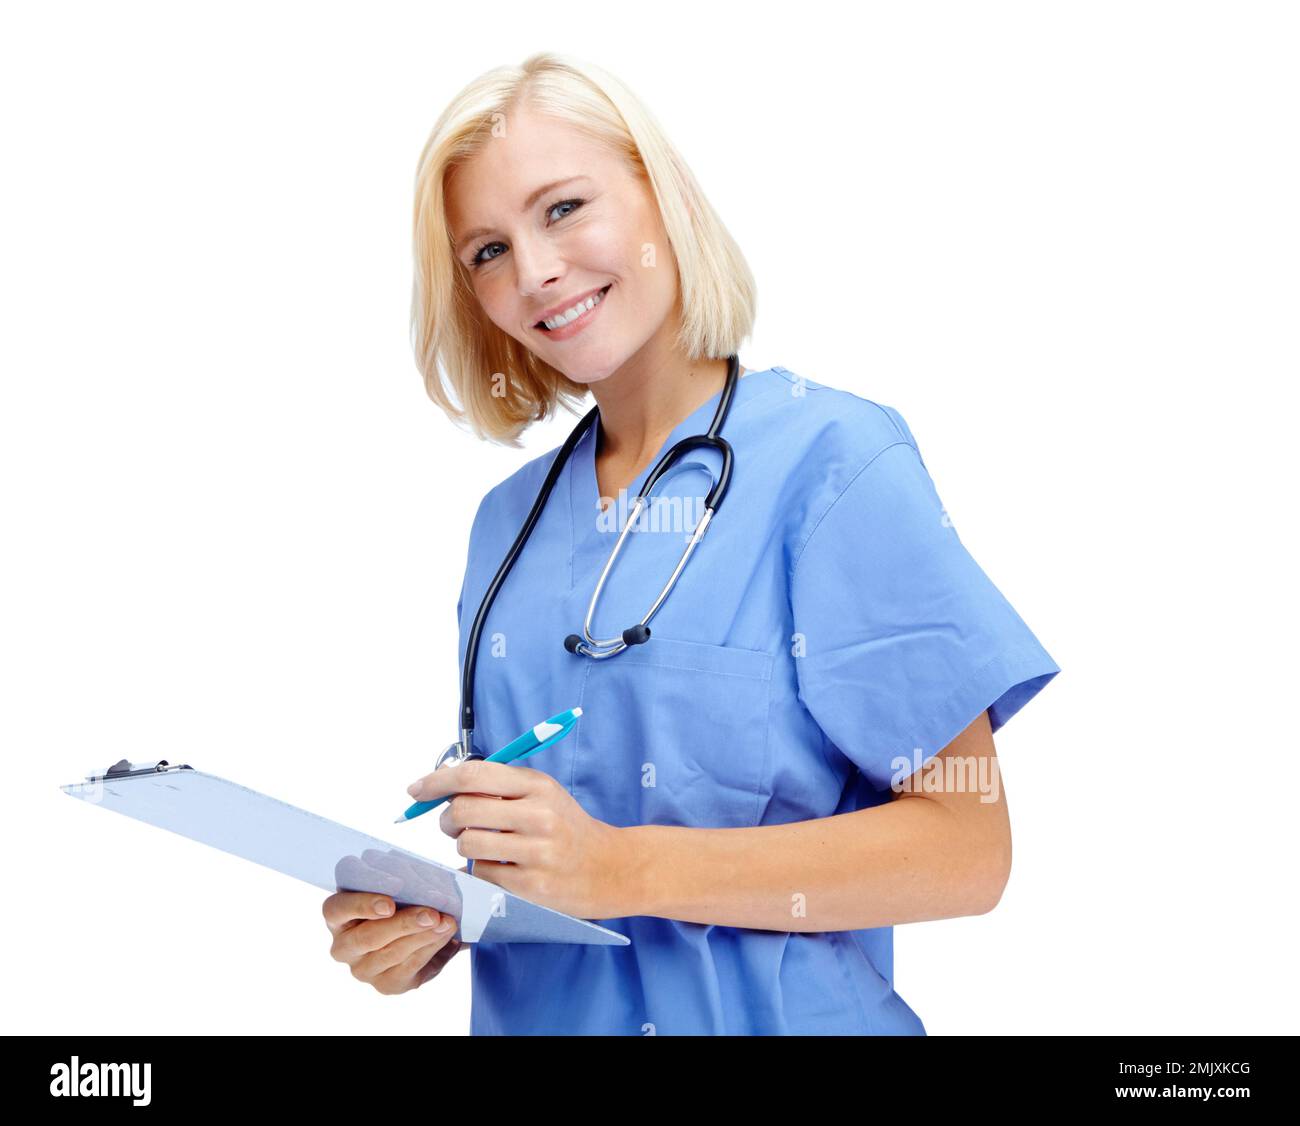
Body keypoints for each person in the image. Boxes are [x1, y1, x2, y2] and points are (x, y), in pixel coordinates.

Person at [322, 51, 1060, 1035]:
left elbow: (967, 853)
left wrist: (624, 866)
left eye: (563, 208)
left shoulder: (834, 463)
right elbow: (551, 853)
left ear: (656, 197)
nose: (535, 271)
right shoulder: (509, 528)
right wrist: (439, 922)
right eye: (485, 251)